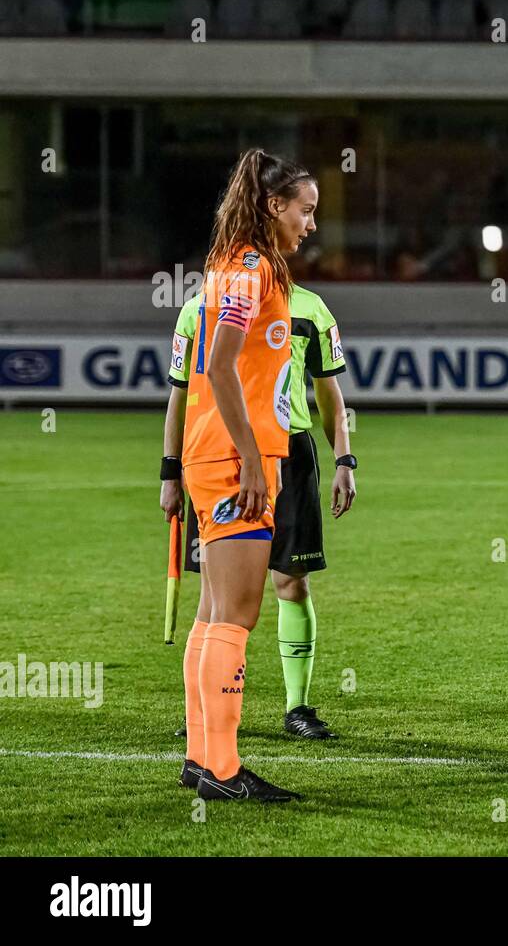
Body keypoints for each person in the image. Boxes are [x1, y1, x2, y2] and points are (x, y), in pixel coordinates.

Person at [170, 147, 317, 801]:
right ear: (273, 206)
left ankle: (204, 760)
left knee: (212, 616)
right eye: (305, 210)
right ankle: (224, 771)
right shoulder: (250, 267)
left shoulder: (245, 266)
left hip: (222, 457)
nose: (311, 224)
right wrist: (255, 459)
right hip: (234, 463)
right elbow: (221, 364)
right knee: (236, 616)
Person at [162, 284, 355, 742]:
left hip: (289, 454)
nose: (308, 226)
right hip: (220, 456)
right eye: (303, 212)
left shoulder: (308, 308)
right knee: (216, 591)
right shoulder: (197, 309)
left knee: (291, 581)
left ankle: (298, 709)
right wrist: (170, 471)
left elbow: (329, 394)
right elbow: (181, 393)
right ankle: (205, 712)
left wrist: (344, 460)